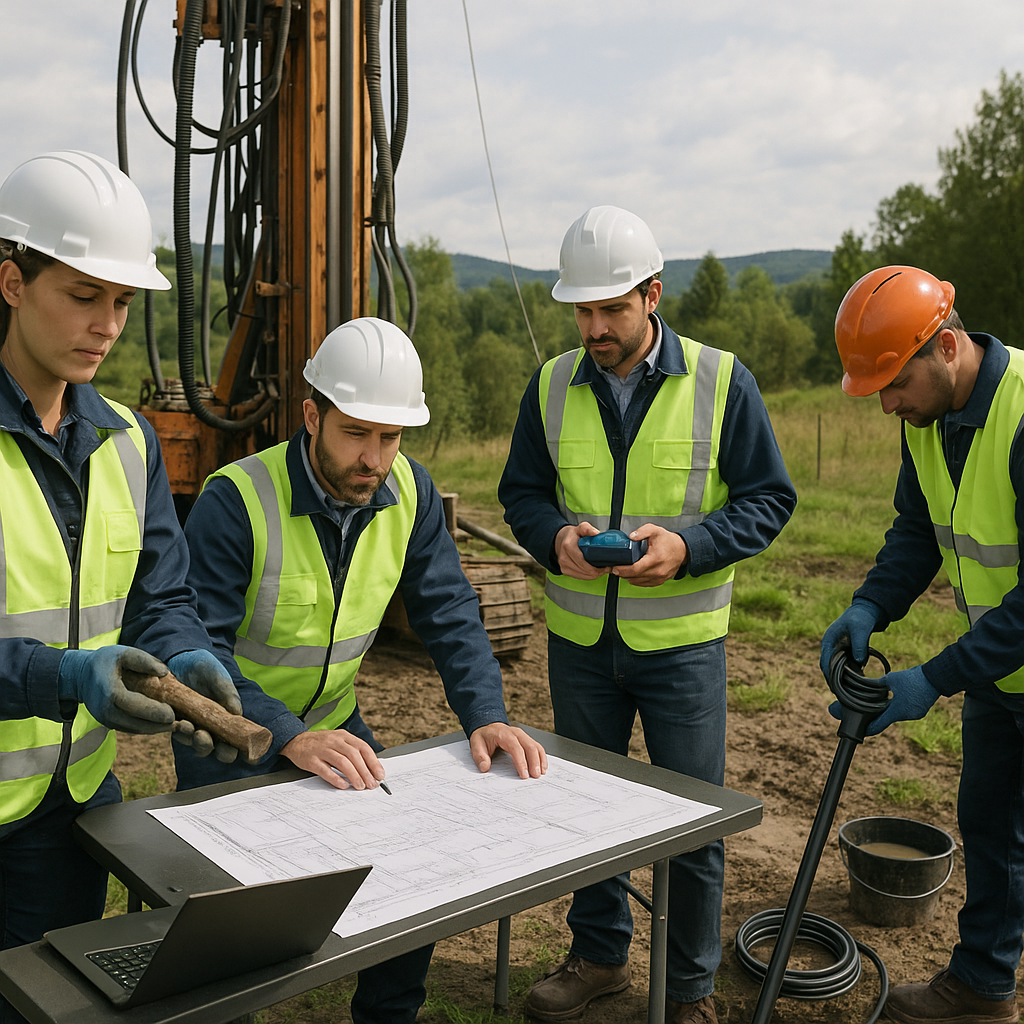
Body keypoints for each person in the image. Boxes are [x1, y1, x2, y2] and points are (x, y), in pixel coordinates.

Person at [176, 314, 548, 1024]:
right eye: (356, 433)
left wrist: (487, 714)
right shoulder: (236, 500)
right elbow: (199, 655)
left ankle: (388, 1014)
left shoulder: (410, 492)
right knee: (233, 930)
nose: (374, 458)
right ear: (312, 416)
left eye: (391, 437)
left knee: (407, 879)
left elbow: (449, 612)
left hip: (336, 725)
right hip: (232, 735)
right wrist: (286, 734)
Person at [498, 206, 796, 1024]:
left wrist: (691, 546)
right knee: (587, 812)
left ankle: (690, 990)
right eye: (582, 311)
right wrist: (554, 534)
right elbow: (519, 493)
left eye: (612, 309)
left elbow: (771, 499)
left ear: (653, 296)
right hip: (580, 645)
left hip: (682, 650)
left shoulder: (720, 379)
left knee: (690, 826)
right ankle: (599, 958)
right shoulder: (553, 384)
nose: (593, 327)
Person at [0, 150, 242, 1023]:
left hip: (70, 800)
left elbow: (160, 593)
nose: (107, 325)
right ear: (11, 281)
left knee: (49, 1006)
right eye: (82, 294)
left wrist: (187, 654)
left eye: (123, 302)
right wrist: (63, 677)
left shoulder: (129, 440)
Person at [821, 265, 1024, 1024]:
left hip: (1004, 652)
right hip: (1003, 672)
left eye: (894, 382)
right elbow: (917, 531)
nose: (886, 404)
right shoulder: (929, 422)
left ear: (945, 346)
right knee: (991, 829)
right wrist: (870, 605)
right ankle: (982, 987)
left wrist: (932, 679)